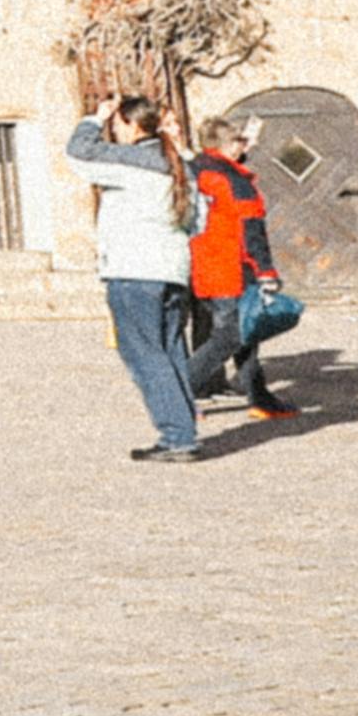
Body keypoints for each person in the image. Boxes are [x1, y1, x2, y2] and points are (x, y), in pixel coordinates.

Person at [70, 97, 206, 461]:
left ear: (131, 125)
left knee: (145, 353)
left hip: (134, 269)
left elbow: (79, 156)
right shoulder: (180, 166)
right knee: (171, 350)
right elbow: (199, 220)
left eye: (117, 123)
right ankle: (184, 427)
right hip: (173, 270)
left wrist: (94, 118)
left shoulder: (131, 161)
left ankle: (177, 435)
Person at [182, 114, 302, 425]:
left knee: (244, 335)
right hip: (232, 267)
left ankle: (260, 396)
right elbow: (251, 231)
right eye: (240, 141)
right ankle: (180, 393)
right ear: (229, 145)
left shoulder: (195, 171)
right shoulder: (236, 182)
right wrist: (266, 271)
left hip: (202, 263)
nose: (246, 145)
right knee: (231, 336)